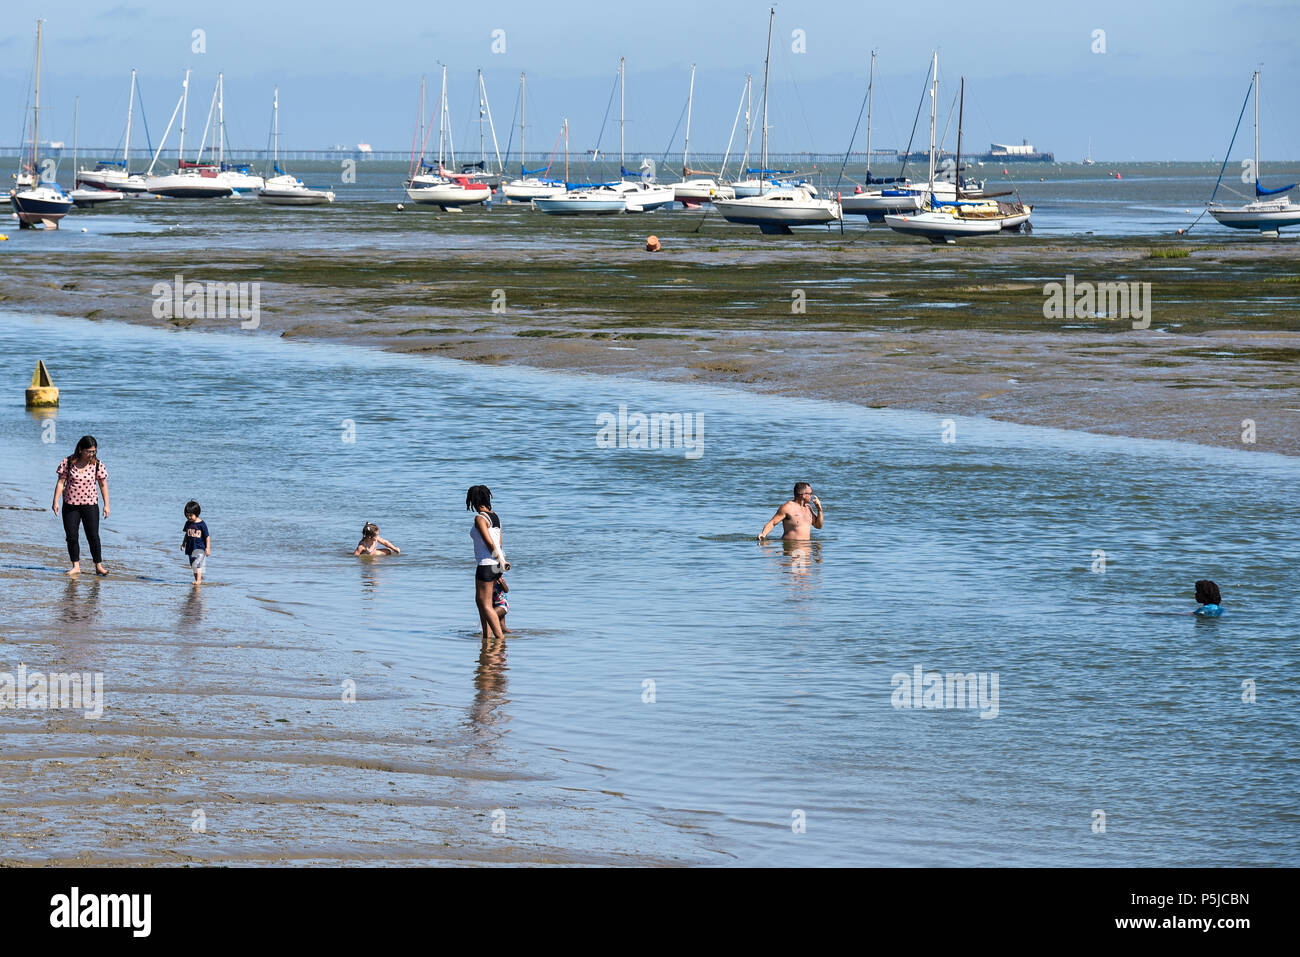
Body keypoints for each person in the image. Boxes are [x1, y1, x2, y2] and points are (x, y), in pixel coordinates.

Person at [52, 435, 110, 576]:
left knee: (93, 536)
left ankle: (98, 565)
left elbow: (103, 485)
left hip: (90, 505)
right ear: (80, 449)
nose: (91, 454)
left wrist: (106, 505)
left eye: (94, 451)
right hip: (70, 505)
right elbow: (61, 483)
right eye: (89, 451)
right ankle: (76, 566)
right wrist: (55, 501)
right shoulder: (68, 462)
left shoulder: (97, 464)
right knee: (71, 536)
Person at [468, 485, 510, 642]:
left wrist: (502, 561)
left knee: (485, 605)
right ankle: (487, 637)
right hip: (495, 565)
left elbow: (490, 543)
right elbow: (500, 543)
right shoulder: (495, 517)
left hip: (486, 564)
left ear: (474, 500)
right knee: (482, 604)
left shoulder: (480, 518)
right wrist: (500, 563)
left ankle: (499, 639)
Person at [757, 482, 824, 541]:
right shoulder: (787, 507)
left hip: (806, 549)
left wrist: (819, 510)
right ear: (803, 494)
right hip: (791, 548)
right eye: (810, 493)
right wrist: (763, 534)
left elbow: (818, 526)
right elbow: (772, 523)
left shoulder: (808, 508)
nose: (811, 496)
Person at [181, 500, 212, 585]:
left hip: (199, 548)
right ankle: (197, 580)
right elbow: (186, 535)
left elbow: (207, 537)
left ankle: (198, 581)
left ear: (197, 513)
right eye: (187, 516)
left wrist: (208, 548)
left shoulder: (202, 524)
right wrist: (183, 543)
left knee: (197, 564)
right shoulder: (188, 523)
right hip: (190, 547)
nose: (189, 517)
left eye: (191, 515)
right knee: (193, 565)